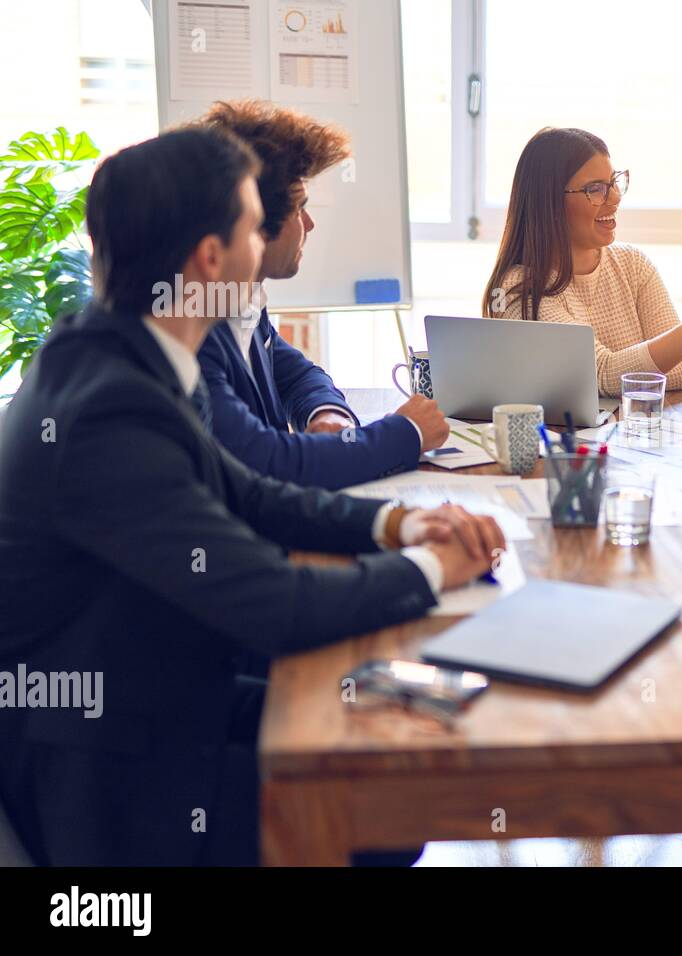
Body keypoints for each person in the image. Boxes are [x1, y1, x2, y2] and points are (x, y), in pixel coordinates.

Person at [0, 127, 505, 866]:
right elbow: (272, 600)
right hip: (106, 776)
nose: (269, 236)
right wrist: (433, 571)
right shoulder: (110, 407)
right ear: (212, 257)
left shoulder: (130, 351)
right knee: (385, 818)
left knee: (401, 735)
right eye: (251, 223)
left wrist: (401, 522)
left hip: (160, 689)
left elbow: (257, 495)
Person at [195, 100, 447, 490]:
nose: (309, 224)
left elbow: (296, 372)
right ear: (256, 222)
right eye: (299, 209)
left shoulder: (243, 302)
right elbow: (270, 463)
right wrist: (407, 432)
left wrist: (327, 413)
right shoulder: (194, 330)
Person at [483, 127, 682, 396]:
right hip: (567, 437)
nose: (615, 198)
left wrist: (641, 365)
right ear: (549, 200)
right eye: (595, 189)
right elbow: (600, 375)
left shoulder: (633, 264)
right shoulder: (518, 288)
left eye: (613, 183)